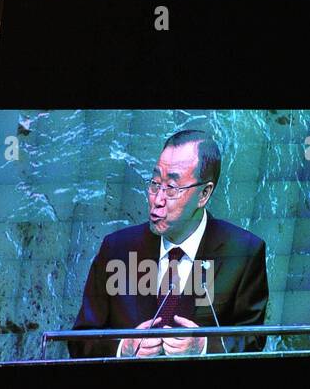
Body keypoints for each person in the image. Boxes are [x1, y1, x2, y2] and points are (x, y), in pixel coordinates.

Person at [68, 129, 268, 359]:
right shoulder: (116, 249)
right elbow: (80, 341)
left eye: (171, 188)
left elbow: (252, 340)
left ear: (204, 194)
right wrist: (123, 348)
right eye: (154, 183)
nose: (157, 199)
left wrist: (204, 347)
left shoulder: (244, 252)